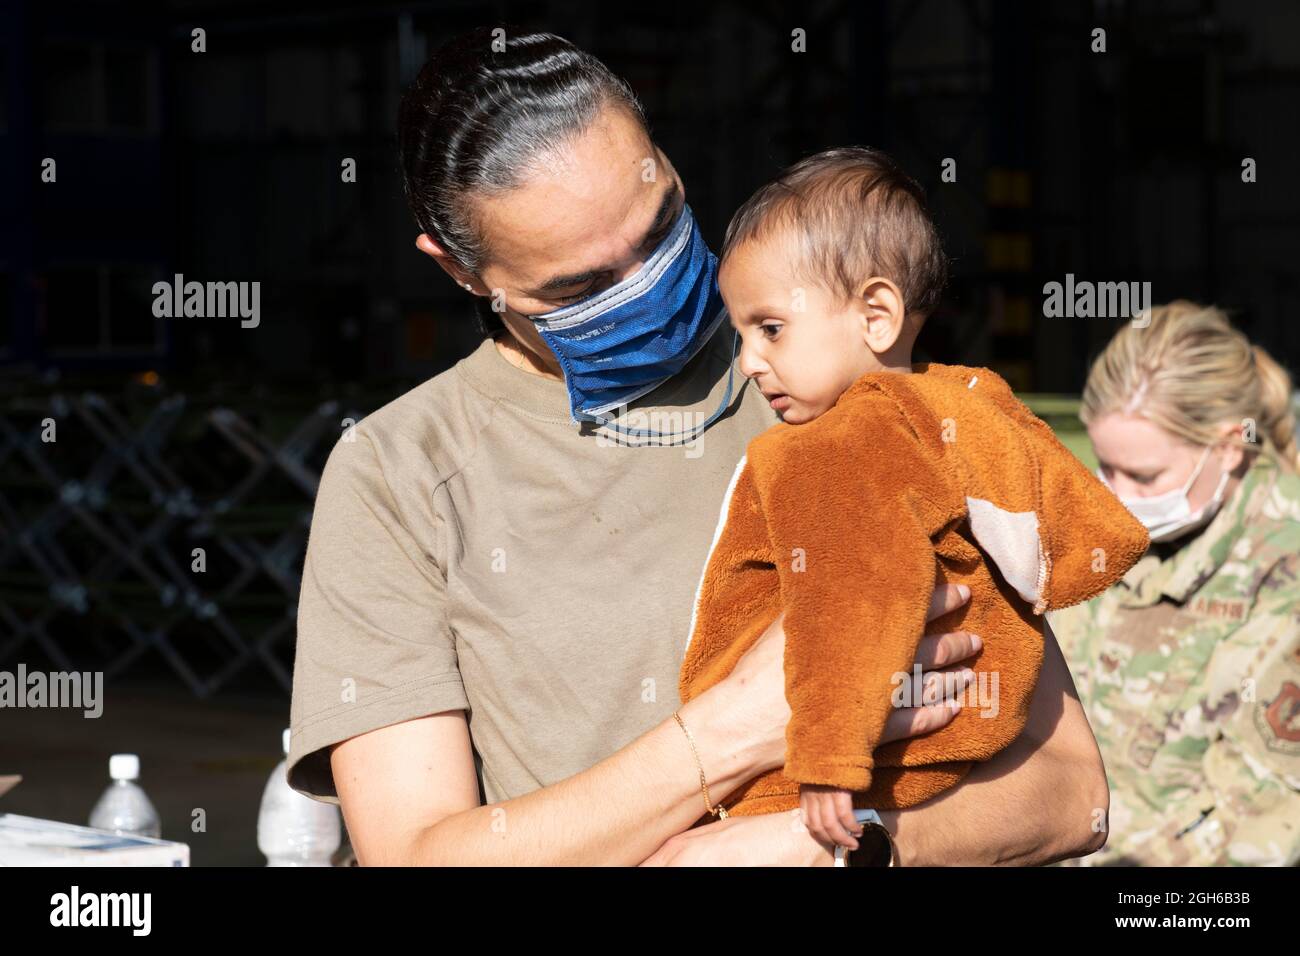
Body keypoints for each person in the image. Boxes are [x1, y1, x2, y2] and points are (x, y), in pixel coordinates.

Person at [286, 26, 1109, 866]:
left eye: (660, 229)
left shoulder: (841, 380)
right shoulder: (399, 475)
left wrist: (824, 846)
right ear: (461, 272)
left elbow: (1074, 794)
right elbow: (414, 855)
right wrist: (727, 739)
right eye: (580, 288)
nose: (642, 284)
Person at [678, 147, 1149, 853]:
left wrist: (828, 756)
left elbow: (855, 598)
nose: (747, 362)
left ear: (877, 315)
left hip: (829, 782)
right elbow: (1067, 523)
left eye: (770, 328)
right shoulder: (962, 409)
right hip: (964, 761)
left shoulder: (833, 446)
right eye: (741, 333)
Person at [1049, 301, 1300, 866]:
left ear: (1230, 446)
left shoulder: (1286, 566)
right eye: (1105, 466)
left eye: (1143, 476)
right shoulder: (1096, 537)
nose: (1115, 495)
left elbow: (1259, 818)